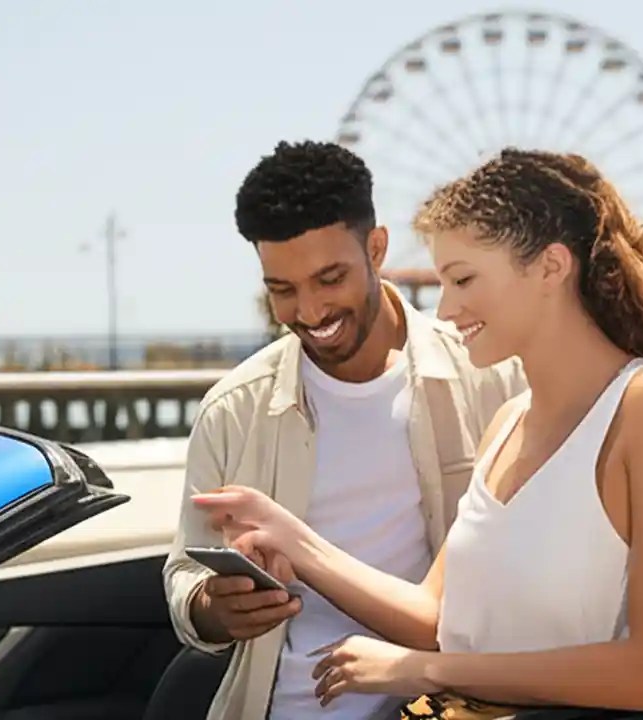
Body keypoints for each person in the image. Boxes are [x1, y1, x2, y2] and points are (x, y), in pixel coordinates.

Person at [192, 148, 643, 717]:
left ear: (551, 268)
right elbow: (437, 621)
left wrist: (424, 670)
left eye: (462, 279)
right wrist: (293, 540)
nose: (447, 309)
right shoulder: (507, 423)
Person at [161, 140, 528, 720]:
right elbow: (184, 572)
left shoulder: (491, 381)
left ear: (376, 248)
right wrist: (213, 607)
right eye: (282, 289)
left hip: (443, 707)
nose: (309, 312)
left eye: (329, 278)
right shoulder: (234, 409)